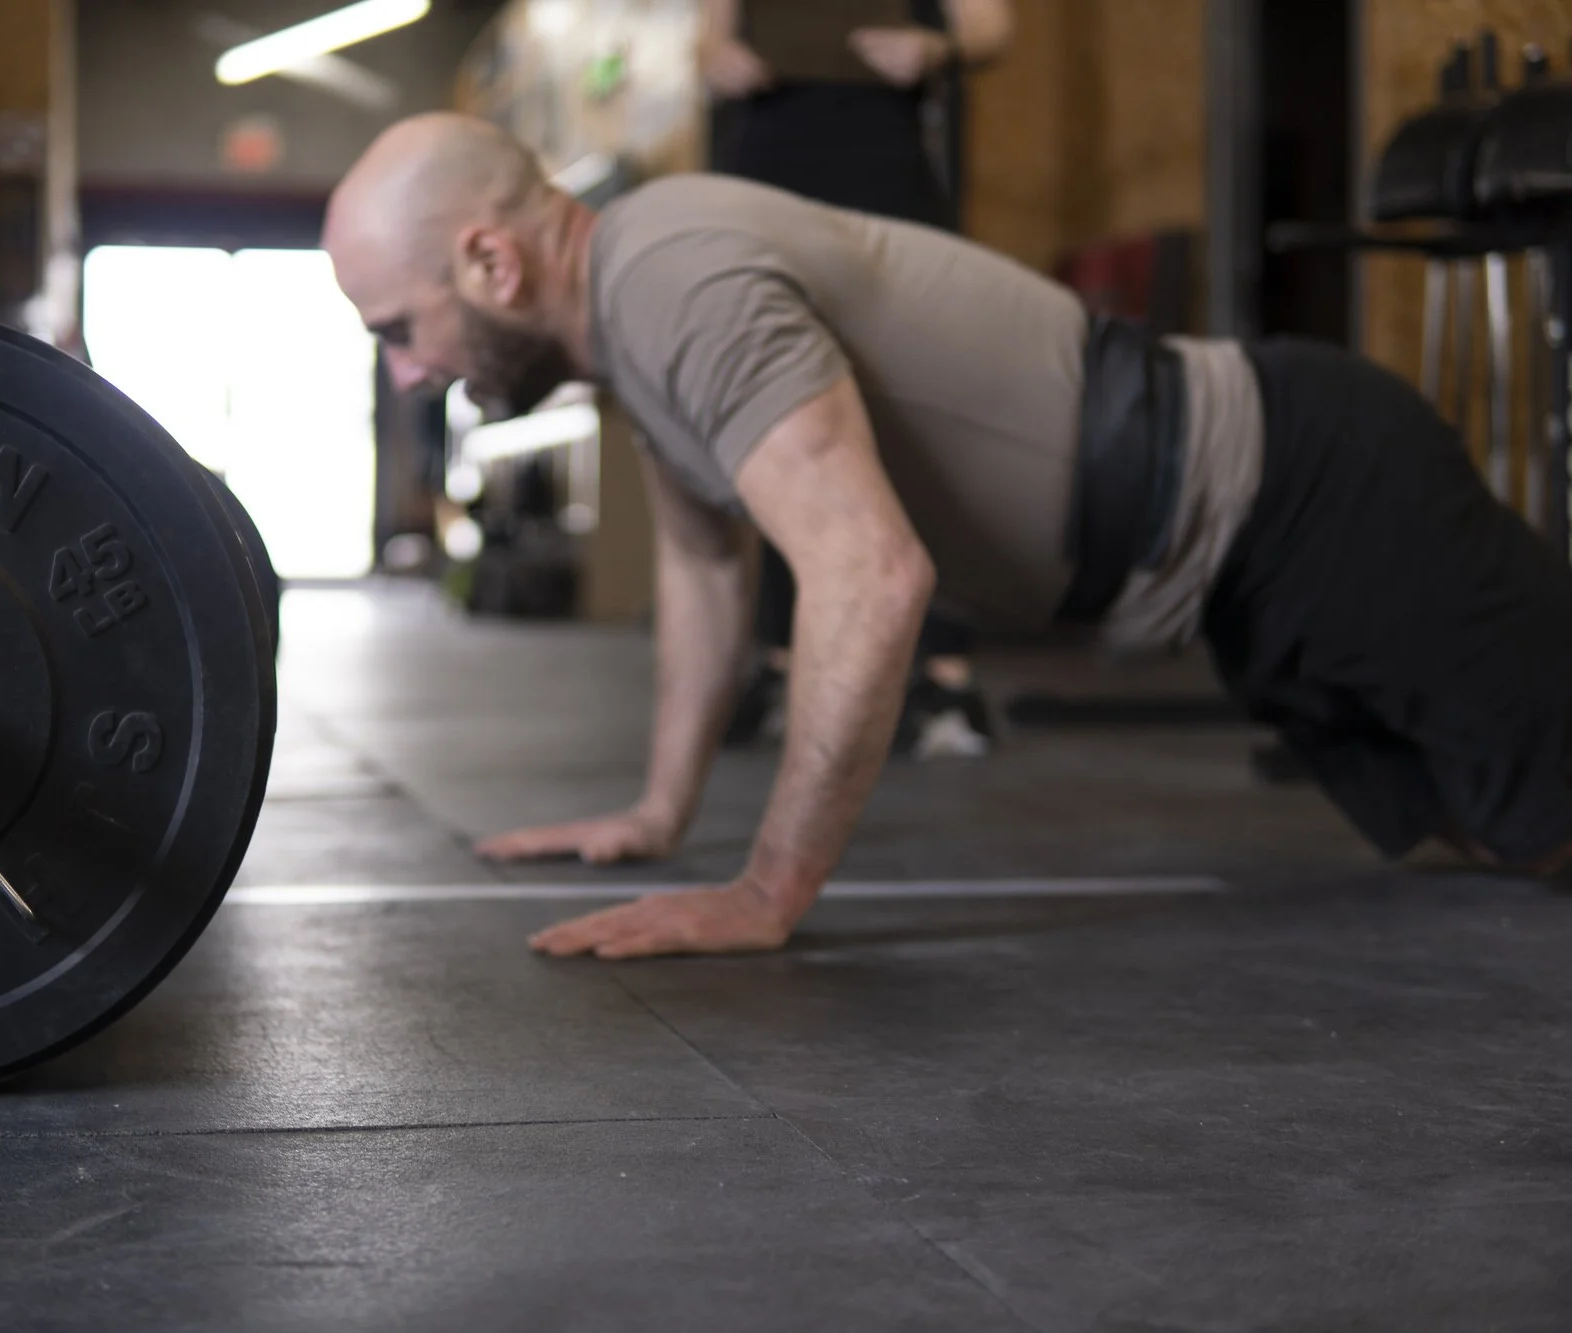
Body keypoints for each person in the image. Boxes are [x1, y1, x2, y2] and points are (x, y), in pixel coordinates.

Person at [321, 113, 1572, 960]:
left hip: (1316, 494)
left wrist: (767, 894)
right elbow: (706, 562)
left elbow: (869, 573)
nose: (407, 373)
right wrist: (657, 811)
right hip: (1237, 578)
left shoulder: (669, 283)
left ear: (488, 260)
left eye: (396, 326)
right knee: (1493, 843)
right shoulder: (630, 318)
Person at [702, 0, 1015, 757]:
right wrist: (722, 59)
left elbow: (992, 27)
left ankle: (944, 674)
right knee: (777, 416)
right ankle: (783, 662)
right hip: (771, 153)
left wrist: (934, 50)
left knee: (923, 413)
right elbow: (708, 39)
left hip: (886, 157)